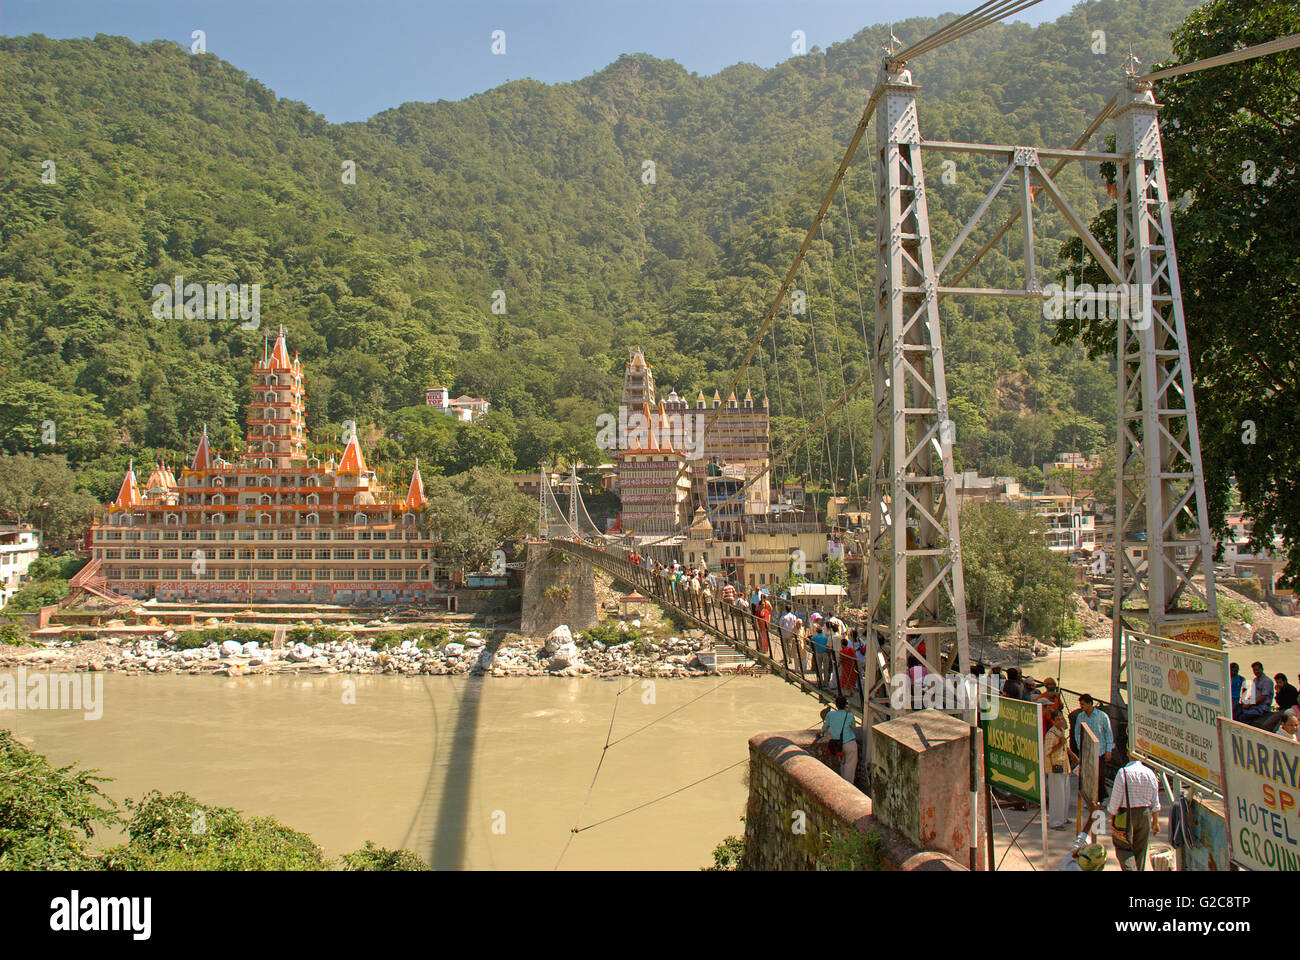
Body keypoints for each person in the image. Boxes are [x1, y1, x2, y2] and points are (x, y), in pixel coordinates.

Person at [1108, 748, 1161, 871]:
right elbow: (1155, 801)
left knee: (1123, 847)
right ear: (1143, 755)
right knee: (1140, 850)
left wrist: (1111, 818)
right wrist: (1156, 822)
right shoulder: (1150, 773)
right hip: (1145, 815)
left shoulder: (1123, 773)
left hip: (1125, 815)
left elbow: (1115, 799)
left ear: (1128, 754)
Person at [1074, 694, 1115, 798]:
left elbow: (1108, 734)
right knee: (1089, 777)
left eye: (1083, 704)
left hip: (1100, 752)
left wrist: (1109, 750)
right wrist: (1081, 747)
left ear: (1089, 704)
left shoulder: (1102, 716)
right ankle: (1090, 798)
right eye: (1080, 704)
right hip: (1087, 752)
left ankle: (1102, 798)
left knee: (1100, 776)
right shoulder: (1080, 717)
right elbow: (1077, 733)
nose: (1081, 707)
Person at [1046, 710, 1076, 829]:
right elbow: (1048, 751)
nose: (1061, 721)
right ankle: (1055, 821)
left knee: (1065, 794)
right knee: (1057, 795)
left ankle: (1063, 817)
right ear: (1053, 721)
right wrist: (1059, 744)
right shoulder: (1051, 734)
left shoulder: (1061, 731)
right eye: (1058, 719)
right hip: (1055, 767)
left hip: (1064, 766)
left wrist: (1075, 758)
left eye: (1061, 718)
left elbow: (1066, 747)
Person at [818, 695, 858, 782]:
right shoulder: (849, 715)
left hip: (837, 743)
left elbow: (825, 726)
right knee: (850, 765)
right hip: (849, 742)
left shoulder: (830, 714)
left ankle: (842, 782)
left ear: (836, 705)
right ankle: (848, 784)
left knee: (842, 763)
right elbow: (853, 726)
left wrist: (822, 732)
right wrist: (849, 711)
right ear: (845, 705)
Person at [809, 622, 831, 689]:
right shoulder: (826, 638)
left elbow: (810, 646)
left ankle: (820, 682)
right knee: (826, 668)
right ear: (822, 631)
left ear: (816, 631)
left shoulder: (813, 638)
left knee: (819, 668)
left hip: (817, 653)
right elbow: (828, 646)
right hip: (825, 653)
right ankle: (826, 682)